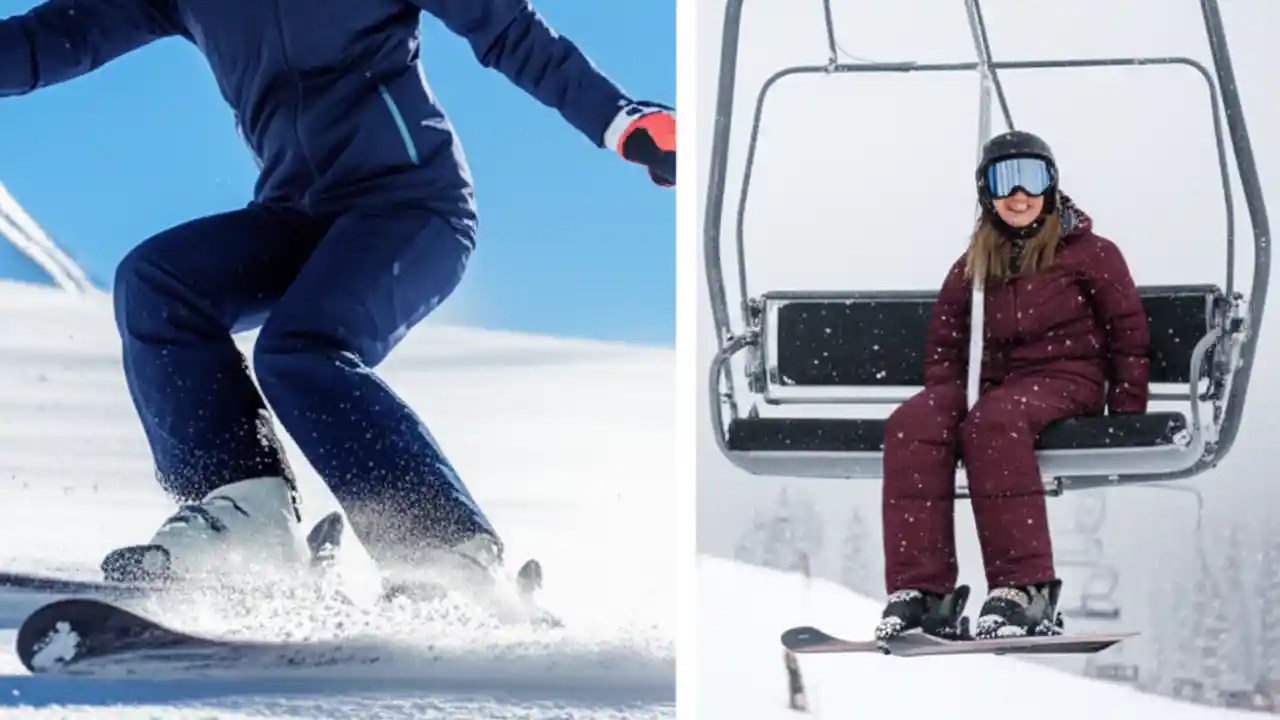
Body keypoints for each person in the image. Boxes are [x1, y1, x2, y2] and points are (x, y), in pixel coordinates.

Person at [0, 2, 675, 594]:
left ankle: (445, 554)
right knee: (159, 284)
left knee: (302, 350)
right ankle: (245, 516)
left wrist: (620, 120)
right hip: (296, 215)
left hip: (411, 206)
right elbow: (50, 38)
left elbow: (510, 32)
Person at [875, 130, 1149, 640]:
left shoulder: (1090, 255)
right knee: (913, 424)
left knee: (993, 424)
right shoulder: (976, 263)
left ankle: (1025, 587)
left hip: (1067, 378)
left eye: (1032, 179)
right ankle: (923, 592)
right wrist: (944, 410)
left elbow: (1127, 331)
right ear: (987, 191)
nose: (1019, 195)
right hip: (994, 387)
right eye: (1005, 181)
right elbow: (946, 342)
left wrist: (1128, 415)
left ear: (1051, 185)